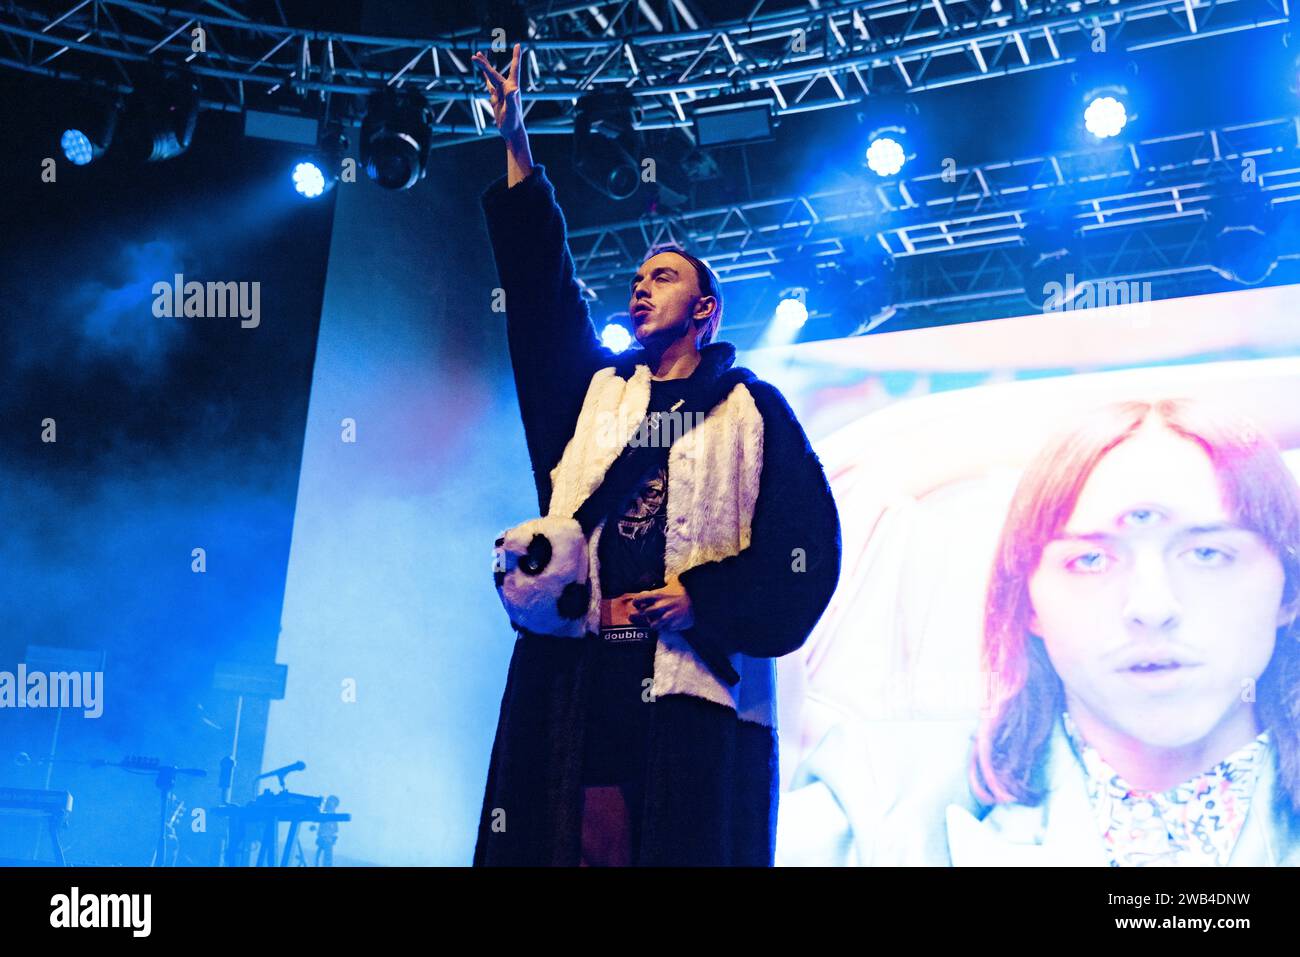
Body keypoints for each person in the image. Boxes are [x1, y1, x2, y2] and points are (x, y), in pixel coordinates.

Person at [472, 43, 842, 866]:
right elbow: (540, 294)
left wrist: (704, 597)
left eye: (664, 277)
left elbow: (808, 550)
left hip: (690, 690)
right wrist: (516, 140)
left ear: (706, 309)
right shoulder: (595, 395)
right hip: (582, 675)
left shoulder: (753, 411)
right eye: (638, 278)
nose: (641, 286)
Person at [777, 397, 1300, 865]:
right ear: (1027, 602)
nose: (1151, 607)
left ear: (1289, 591)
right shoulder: (878, 797)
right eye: (1091, 560)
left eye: (1207, 553)